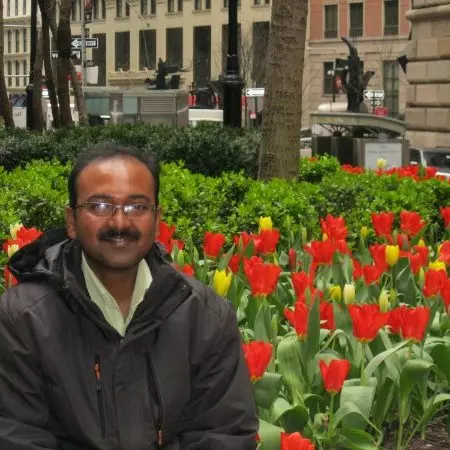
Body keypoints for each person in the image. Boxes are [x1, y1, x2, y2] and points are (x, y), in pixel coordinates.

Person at [0, 144, 258, 450]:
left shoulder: (205, 318)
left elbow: (224, 434)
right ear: (71, 220)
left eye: (137, 207)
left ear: (157, 218)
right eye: (99, 206)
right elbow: (15, 436)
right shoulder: (22, 320)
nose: (120, 223)